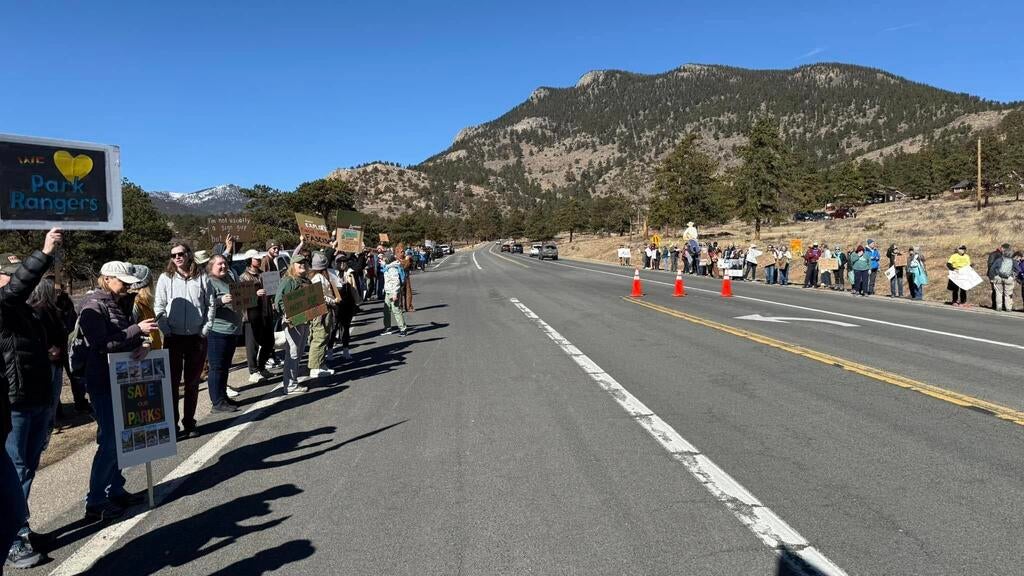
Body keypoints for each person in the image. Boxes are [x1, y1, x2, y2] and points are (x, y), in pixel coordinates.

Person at [1, 230, 61, 569]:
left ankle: (20, 527)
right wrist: (45, 253)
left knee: (29, 466)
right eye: (7, 275)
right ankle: (13, 539)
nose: (13, 280)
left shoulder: (25, 311)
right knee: (17, 469)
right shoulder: (4, 304)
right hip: (16, 402)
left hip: (37, 397)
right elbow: (16, 289)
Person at [80, 261, 155, 522]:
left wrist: (144, 343)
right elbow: (102, 344)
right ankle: (96, 500)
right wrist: (137, 330)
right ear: (108, 279)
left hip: (121, 377)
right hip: (102, 380)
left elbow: (129, 335)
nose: (126, 287)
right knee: (110, 441)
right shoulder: (92, 306)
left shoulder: (117, 302)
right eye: (123, 282)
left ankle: (115, 489)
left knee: (120, 438)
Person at [154, 243, 208, 439]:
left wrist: (205, 328)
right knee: (172, 384)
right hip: (173, 338)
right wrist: (166, 329)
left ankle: (189, 422)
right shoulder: (165, 278)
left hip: (196, 337)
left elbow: (210, 304)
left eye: (180, 253)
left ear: (188, 255)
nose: (177, 257)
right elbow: (159, 305)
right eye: (173, 255)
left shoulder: (202, 277)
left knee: (192, 383)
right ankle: (173, 424)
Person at [202, 255, 241, 412]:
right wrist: (220, 301)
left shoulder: (228, 279)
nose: (223, 266)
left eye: (225, 263)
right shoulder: (208, 282)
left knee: (225, 367)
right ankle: (217, 402)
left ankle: (223, 397)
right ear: (211, 266)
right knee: (217, 367)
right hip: (217, 331)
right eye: (219, 264)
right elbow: (203, 304)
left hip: (232, 329)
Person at [275, 255, 311, 395]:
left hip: (304, 319)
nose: (302, 264)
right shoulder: (288, 281)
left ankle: (293, 381)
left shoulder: (306, 280)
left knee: (300, 351)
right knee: (293, 352)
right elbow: (278, 300)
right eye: (299, 263)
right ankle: (290, 385)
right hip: (292, 321)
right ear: (292, 265)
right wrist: (286, 313)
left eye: (304, 262)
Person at [239, 250, 274, 384]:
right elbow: (241, 298)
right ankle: (253, 371)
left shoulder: (263, 275)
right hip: (251, 315)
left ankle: (261, 367)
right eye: (256, 259)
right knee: (252, 344)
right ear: (249, 260)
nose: (259, 261)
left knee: (269, 341)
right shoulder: (243, 277)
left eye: (259, 259)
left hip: (265, 312)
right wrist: (255, 294)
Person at [307, 252, 338, 379]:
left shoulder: (318, 276)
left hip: (324, 310)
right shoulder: (317, 278)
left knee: (324, 336)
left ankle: (320, 363)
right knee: (319, 337)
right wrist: (333, 301)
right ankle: (315, 368)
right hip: (320, 310)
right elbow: (318, 296)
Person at [381, 255, 408, 336]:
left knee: (396, 310)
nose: (383, 260)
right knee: (386, 310)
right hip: (388, 291)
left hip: (393, 292)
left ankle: (403, 328)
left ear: (388, 259)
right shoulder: (388, 267)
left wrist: (395, 293)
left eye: (384, 259)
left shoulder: (392, 268)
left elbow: (396, 282)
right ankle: (387, 327)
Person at [987, 243, 1015, 312]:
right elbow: (1018, 269)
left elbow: (992, 267)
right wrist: (1014, 276)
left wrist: (992, 277)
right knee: (1008, 293)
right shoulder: (1012, 260)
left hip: (998, 277)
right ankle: (1008, 308)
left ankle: (998, 307)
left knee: (998, 293)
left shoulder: (998, 258)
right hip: (1008, 278)